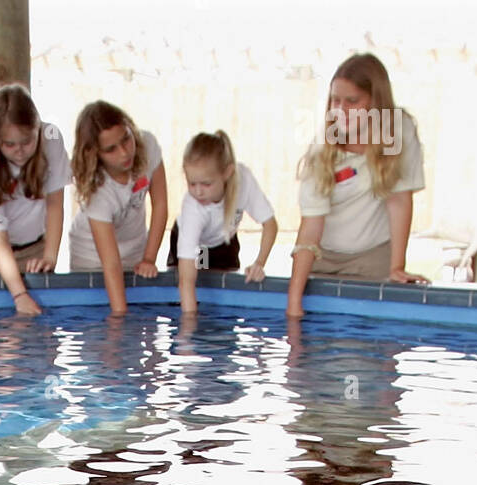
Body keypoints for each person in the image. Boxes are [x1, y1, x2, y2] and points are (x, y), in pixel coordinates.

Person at [287, 53, 428, 318]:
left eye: (352, 101)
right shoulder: (322, 149)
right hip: (323, 257)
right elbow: (310, 229)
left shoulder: (399, 130)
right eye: (335, 100)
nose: (340, 110)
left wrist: (397, 266)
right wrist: (294, 304)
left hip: (374, 256)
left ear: (376, 101)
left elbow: (398, 199)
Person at [0, 85, 69, 316]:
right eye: (9, 144)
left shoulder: (51, 137)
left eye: (27, 141)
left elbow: (55, 203)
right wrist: (19, 296)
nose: (19, 151)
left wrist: (50, 257)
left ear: (37, 130)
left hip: (34, 251)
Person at [68, 101, 167, 315]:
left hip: (135, 248)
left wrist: (149, 258)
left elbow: (160, 205)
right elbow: (111, 264)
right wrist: (120, 321)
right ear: (95, 153)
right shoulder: (97, 192)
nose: (124, 153)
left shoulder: (147, 145)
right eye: (111, 149)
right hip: (92, 257)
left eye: (126, 139)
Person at [168, 130, 277, 314]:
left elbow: (270, 224)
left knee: (225, 301)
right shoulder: (193, 208)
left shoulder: (243, 181)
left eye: (206, 184)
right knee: (198, 289)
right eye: (191, 183)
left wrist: (259, 263)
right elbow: (186, 281)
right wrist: (188, 332)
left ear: (227, 172)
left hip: (226, 240)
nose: (198, 192)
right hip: (199, 247)